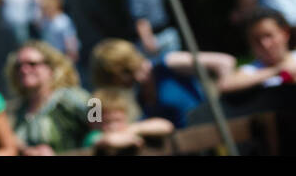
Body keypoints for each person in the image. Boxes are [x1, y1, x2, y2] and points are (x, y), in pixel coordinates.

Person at [89, 38, 236, 129]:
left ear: (119, 72)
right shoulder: (139, 93)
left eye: (111, 79)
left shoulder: (168, 63)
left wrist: (223, 102)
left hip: (209, 137)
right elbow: (95, 101)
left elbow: (224, 62)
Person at [4, 41, 91, 155]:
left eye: (32, 63)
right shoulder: (21, 109)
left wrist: (103, 132)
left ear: (51, 68)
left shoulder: (68, 97)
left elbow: (98, 106)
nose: (24, 70)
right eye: (18, 66)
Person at [218, 8, 296, 93]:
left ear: (285, 33)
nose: (265, 44)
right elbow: (226, 85)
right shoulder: (251, 70)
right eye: (256, 40)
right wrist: (277, 70)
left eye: (269, 35)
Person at [83, 88, 174, 153]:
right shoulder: (93, 136)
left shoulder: (129, 130)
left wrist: (135, 129)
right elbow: (109, 141)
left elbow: (167, 126)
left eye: (117, 120)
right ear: (93, 122)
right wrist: (131, 139)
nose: (113, 126)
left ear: (126, 117)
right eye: (107, 122)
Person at [39, 0, 80, 64]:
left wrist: (72, 52)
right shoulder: (46, 21)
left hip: (65, 52)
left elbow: (70, 38)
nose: (44, 11)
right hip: (52, 52)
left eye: (46, 8)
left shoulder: (63, 21)